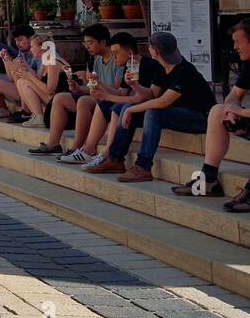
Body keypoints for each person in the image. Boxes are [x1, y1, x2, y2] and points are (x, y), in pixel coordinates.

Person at [91, 32, 216, 183]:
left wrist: (131, 109)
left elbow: (162, 102)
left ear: (155, 51)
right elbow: (151, 95)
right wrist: (134, 85)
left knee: (152, 112)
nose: (148, 49)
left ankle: (143, 166)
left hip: (201, 118)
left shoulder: (184, 70)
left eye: (150, 46)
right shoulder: (162, 68)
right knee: (127, 107)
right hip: (177, 113)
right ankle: (115, 159)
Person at [173, 21, 250, 203]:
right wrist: (231, 110)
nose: (235, 47)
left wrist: (240, 112)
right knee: (217, 111)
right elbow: (234, 95)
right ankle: (208, 179)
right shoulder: (248, 64)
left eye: (238, 42)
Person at [61, 32, 163, 167]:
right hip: (133, 104)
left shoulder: (149, 65)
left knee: (115, 106)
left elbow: (143, 98)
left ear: (130, 53)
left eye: (116, 53)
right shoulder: (129, 65)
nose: (114, 57)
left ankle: (107, 154)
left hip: (147, 107)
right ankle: (88, 150)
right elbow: (122, 93)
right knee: (103, 103)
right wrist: (100, 84)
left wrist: (107, 96)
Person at [30, 24, 120, 155]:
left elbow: (117, 89)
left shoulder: (117, 59)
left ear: (103, 42)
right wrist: (79, 88)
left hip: (109, 99)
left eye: (90, 43)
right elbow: (91, 88)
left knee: (83, 101)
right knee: (60, 97)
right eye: (85, 43)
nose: (87, 46)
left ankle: (76, 148)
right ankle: (53, 144)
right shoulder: (94, 60)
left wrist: (94, 82)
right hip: (96, 97)